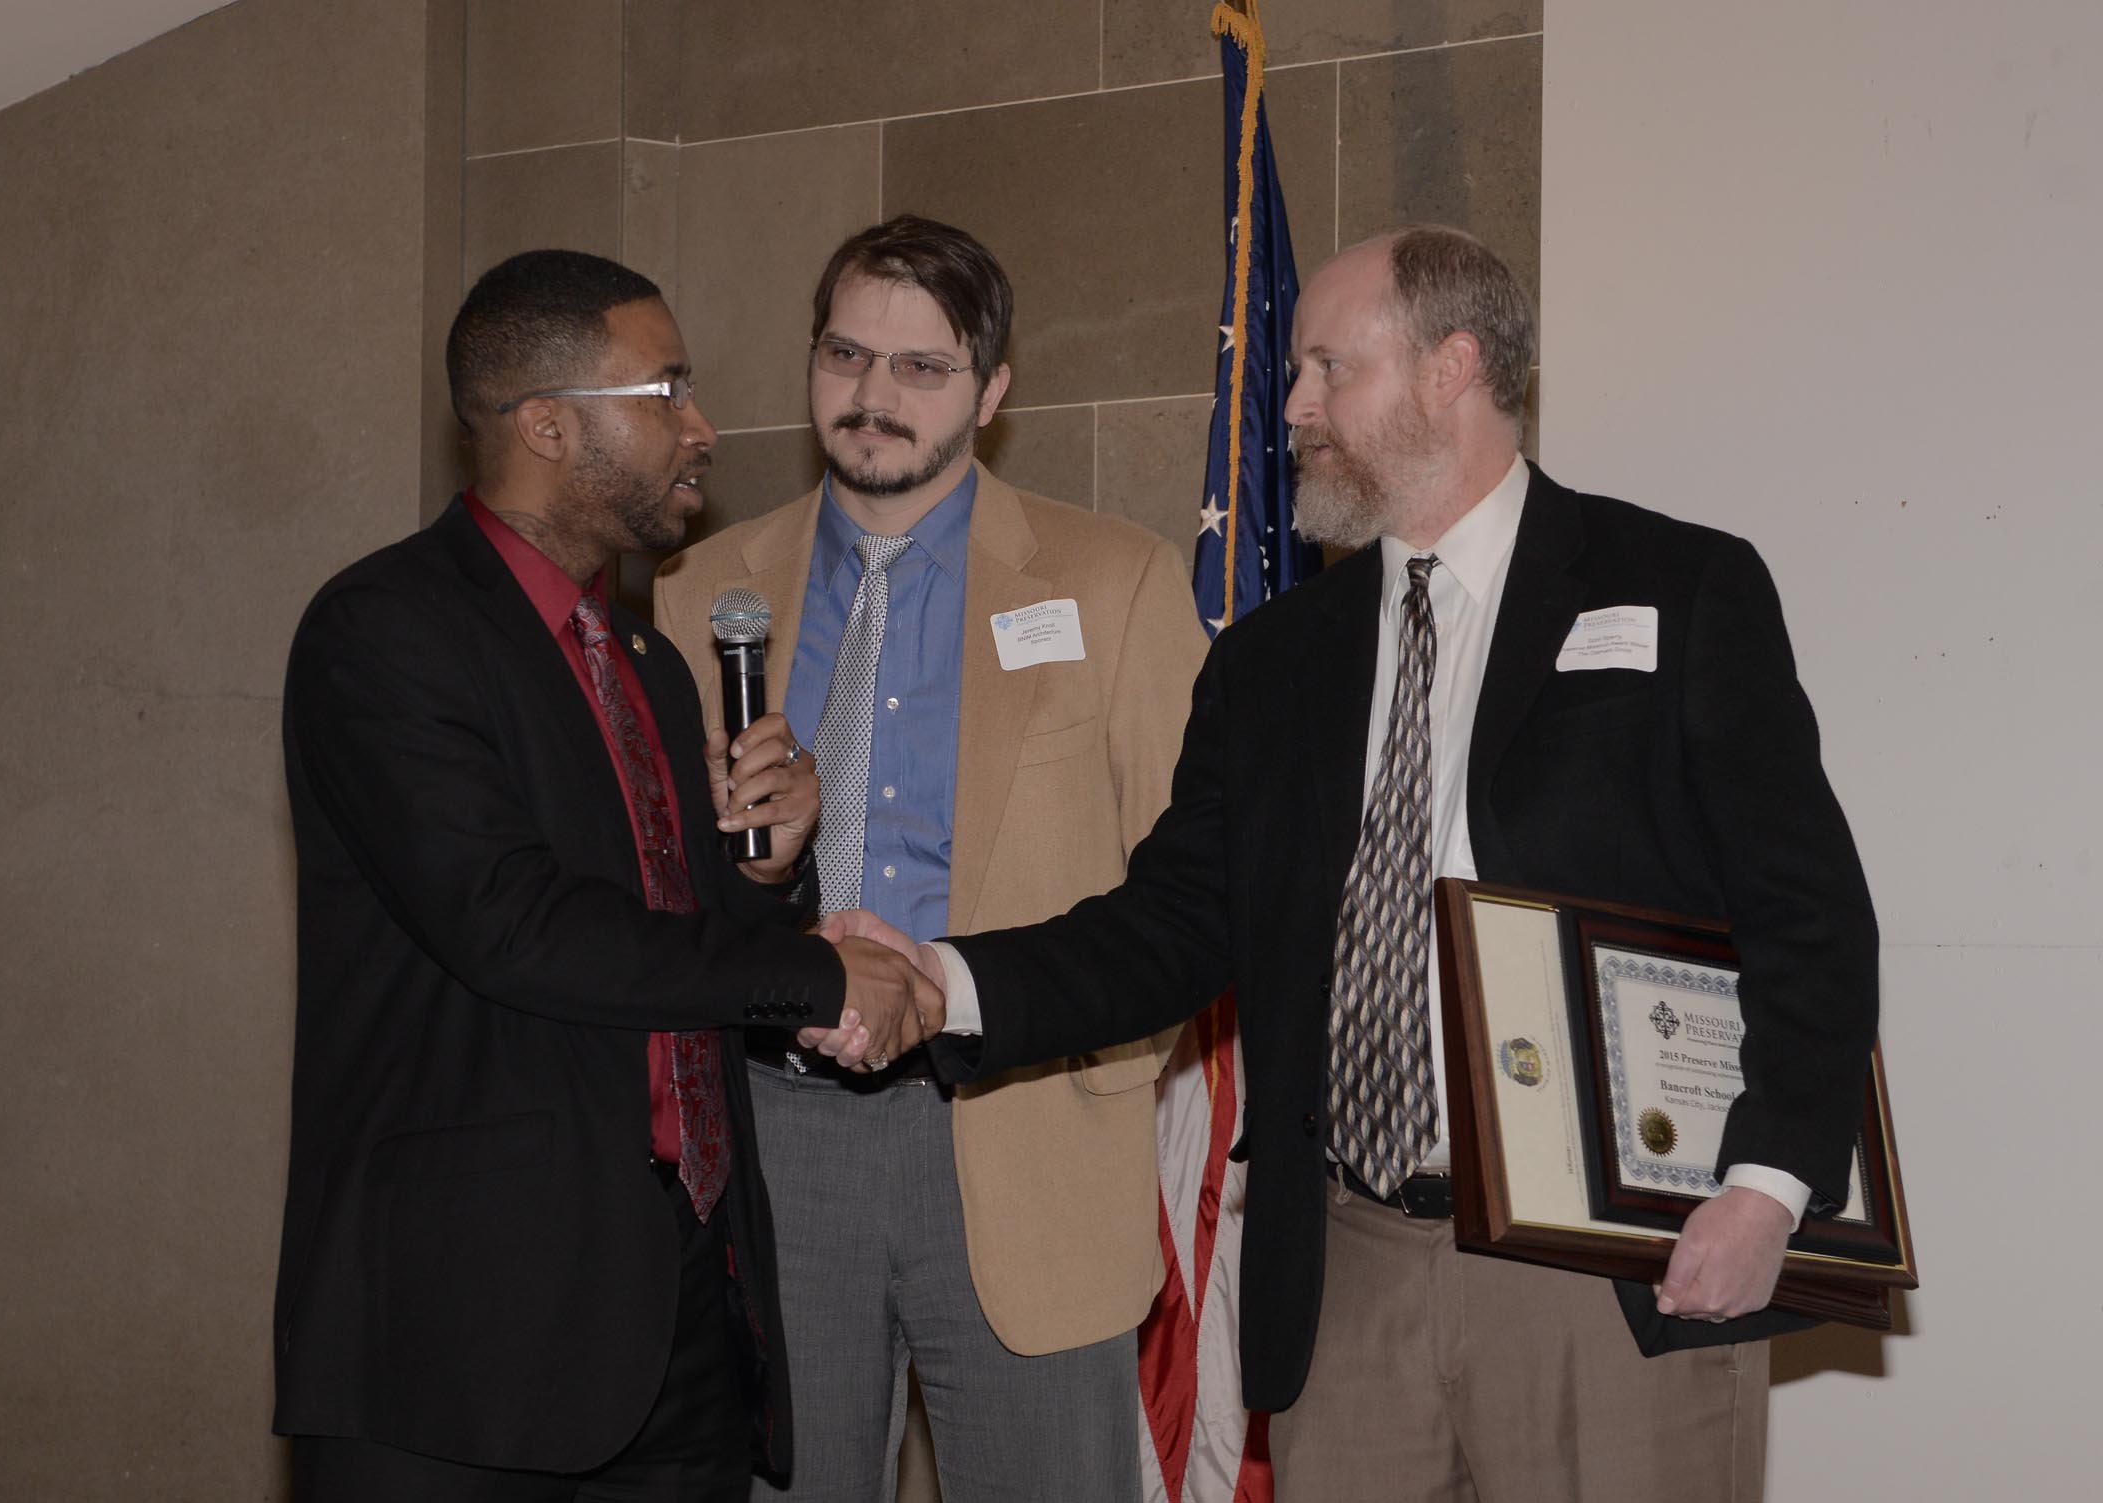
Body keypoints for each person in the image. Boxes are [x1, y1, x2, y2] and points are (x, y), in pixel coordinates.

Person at [825, 224, 1880, 1501]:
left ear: (1452, 368)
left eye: (1329, 368)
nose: (1293, 408)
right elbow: (1168, 925)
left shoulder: (1677, 587)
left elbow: (1806, 916)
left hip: (1605, 1269)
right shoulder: (1275, 661)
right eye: (1295, 374)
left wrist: (1767, 1190)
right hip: (1346, 1269)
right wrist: (943, 981)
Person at [273, 248, 936, 1502]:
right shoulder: (385, 631)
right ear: (546, 425)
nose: (703, 427)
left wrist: (765, 877)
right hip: (463, 1338)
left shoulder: (646, 659)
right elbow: (515, 927)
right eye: (666, 391)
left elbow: (665, 941)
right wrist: (816, 976)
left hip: (681, 1319)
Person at [654, 215, 1205, 1502]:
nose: (874, 396)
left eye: (921, 368)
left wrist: (1094, 1075)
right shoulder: (699, 591)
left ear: (992, 391)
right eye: (846, 356)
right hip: (780, 1135)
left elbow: (1184, 892)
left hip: (1023, 1128)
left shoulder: (1114, 581)